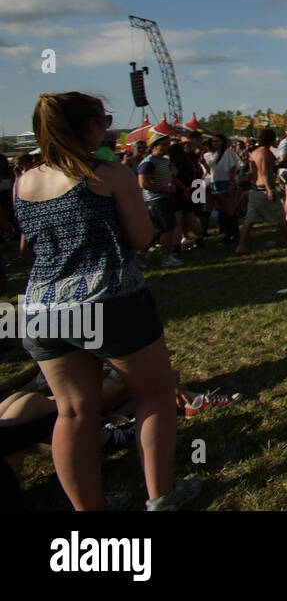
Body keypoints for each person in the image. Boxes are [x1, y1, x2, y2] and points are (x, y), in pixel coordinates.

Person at [12, 93, 200, 510]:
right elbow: (140, 238)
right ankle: (161, 497)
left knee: (73, 412)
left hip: (42, 308)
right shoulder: (109, 175)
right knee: (154, 394)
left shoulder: (25, 182)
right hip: (108, 300)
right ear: (90, 128)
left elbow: (31, 246)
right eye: (105, 120)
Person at [234, 129, 287, 255]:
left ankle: (241, 245)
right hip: (264, 190)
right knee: (279, 215)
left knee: (249, 220)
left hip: (255, 190)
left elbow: (262, 170)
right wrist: (270, 190)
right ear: (271, 139)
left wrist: (278, 166)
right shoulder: (265, 153)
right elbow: (265, 173)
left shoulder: (255, 152)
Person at [137, 134, 181, 267]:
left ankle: (141, 254)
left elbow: (172, 176)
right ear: (155, 146)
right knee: (167, 228)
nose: (169, 147)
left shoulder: (163, 160)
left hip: (163, 198)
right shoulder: (149, 162)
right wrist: (164, 189)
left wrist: (183, 188)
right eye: (165, 144)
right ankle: (166, 257)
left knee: (159, 229)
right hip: (156, 200)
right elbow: (143, 183)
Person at [203, 134, 241, 243]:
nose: (215, 143)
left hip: (226, 181)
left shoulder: (228, 152)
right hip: (216, 182)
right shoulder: (214, 154)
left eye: (217, 141)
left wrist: (231, 183)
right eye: (213, 141)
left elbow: (233, 167)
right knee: (222, 209)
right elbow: (211, 170)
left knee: (228, 209)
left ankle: (233, 233)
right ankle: (226, 232)